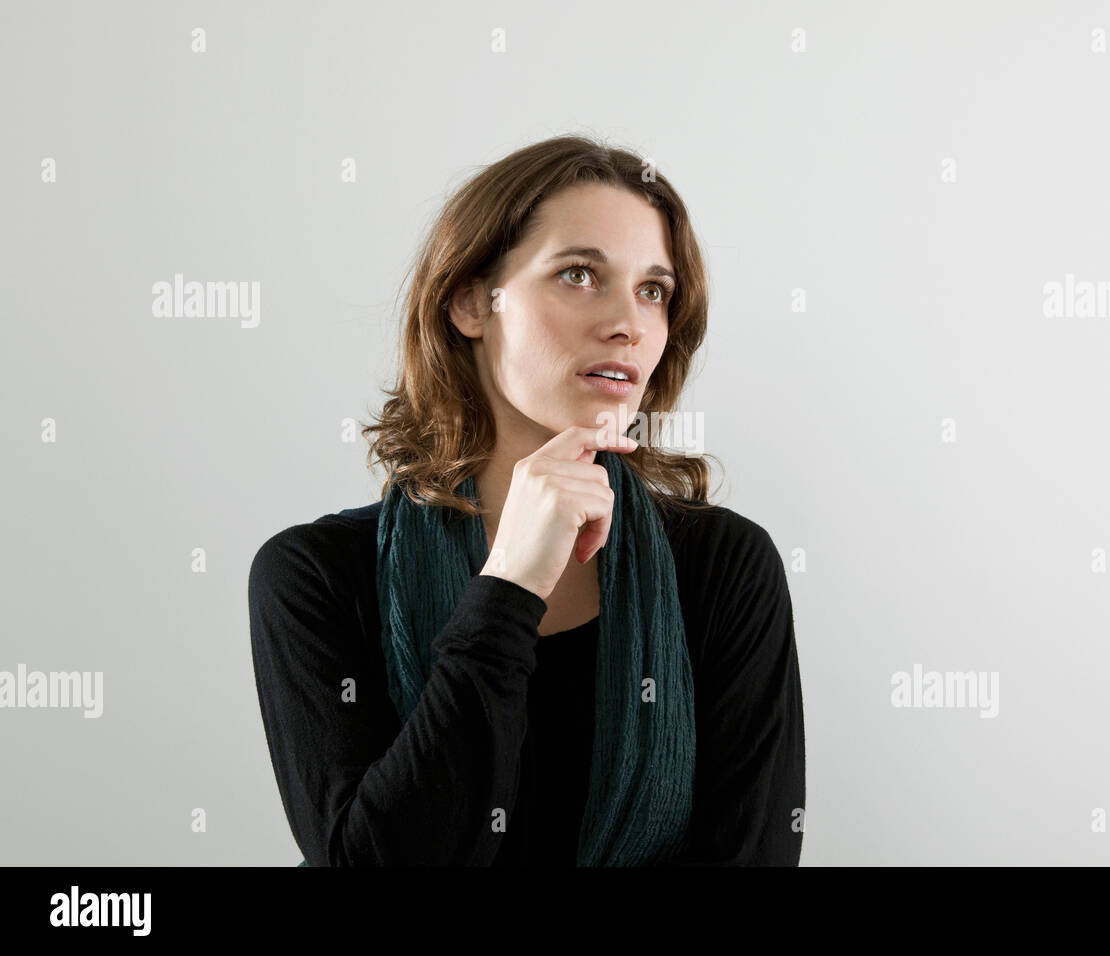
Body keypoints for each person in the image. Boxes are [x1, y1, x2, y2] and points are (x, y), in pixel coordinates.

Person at [247, 135, 805, 866]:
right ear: (472, 303)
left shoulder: (723, 566)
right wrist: (508, 586)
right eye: (579, 275)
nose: (628, 325)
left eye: (653, 290)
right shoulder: (315, 576)